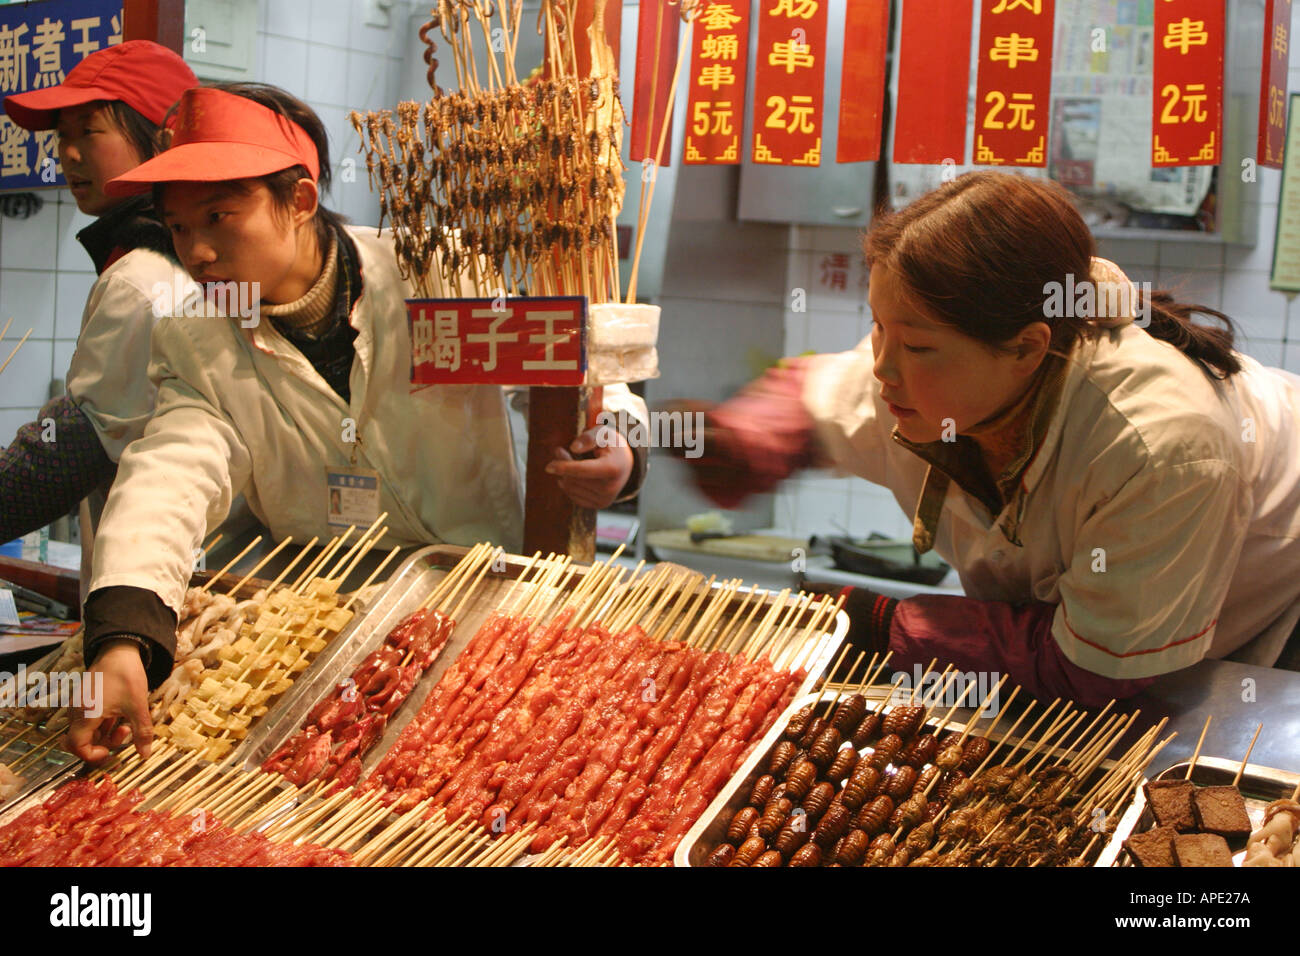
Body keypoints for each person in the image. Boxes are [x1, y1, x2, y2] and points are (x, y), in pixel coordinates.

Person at [68, 83, 646, 761]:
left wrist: (619, 443)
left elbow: (576, 373)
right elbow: (167, 476)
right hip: (328, 635)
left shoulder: (434, 271)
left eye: (220, 216)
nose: (195, 252)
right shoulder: (198, 339)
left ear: (300, 200)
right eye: (179, 227)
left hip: (484, 611)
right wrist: (123, 636)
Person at [672, 172, 1300, 706]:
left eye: (916, 345)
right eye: (878, 327)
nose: (884, 367)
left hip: (1268, 600)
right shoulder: (921, 370)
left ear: (1028, 348)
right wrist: (734, 440)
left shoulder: (1159, 446)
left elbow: (1099, 671)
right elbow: (815, 400)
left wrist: (895, 624)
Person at [0, 42, 198, 563]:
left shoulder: (141, 279)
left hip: (158, 582)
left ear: (161, 136)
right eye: (62, 135)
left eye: (89, 131)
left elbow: (71, 452)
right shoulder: (163, 255)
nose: (67, 153)